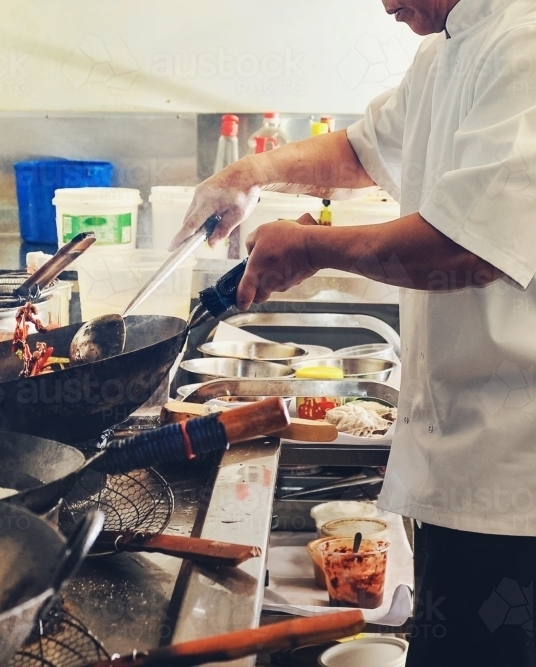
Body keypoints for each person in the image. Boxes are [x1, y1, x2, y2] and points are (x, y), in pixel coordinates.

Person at [172, 0, 536, 664]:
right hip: (459, 469)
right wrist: (244, 175)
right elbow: (359, 150)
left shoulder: (525, 42)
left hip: (517, 482)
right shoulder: (444, 51)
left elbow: (467, 249)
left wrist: (314, 248)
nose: (385, 4)